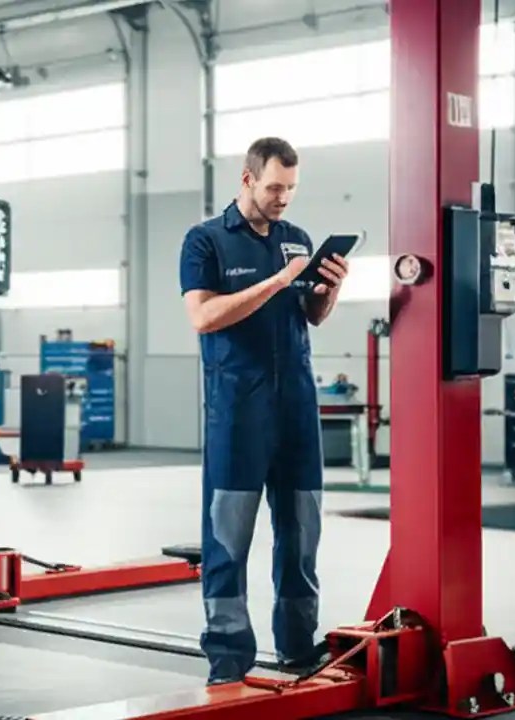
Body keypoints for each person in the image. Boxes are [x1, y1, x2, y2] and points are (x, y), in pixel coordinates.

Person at [178, 137, 350, 684]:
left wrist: (329, 288)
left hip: (297, 405)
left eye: (291, 190)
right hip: (237, 409)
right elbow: (203, 317)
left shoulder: (296, 240)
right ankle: (228, 657)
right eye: (275, 187)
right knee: (229, 538)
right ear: (248, 179)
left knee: (301, 533)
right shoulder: (205, 241)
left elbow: (313, 316)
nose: (283, 199)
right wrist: (275, 281)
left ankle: (298, 647)